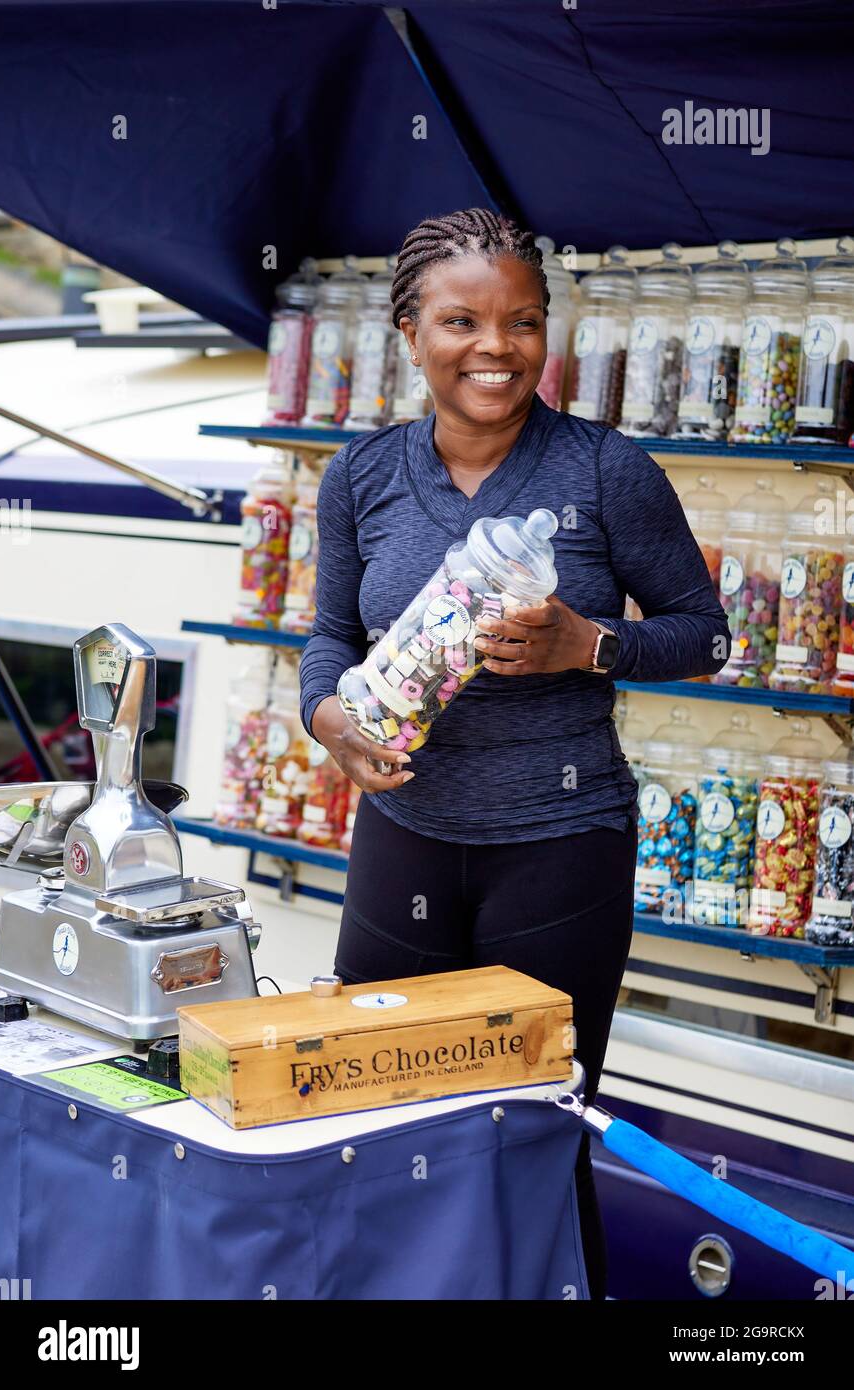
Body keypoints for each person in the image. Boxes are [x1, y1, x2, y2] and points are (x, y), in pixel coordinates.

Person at [299, 207, 730, 1299]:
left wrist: (588, 643)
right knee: (373, 1111)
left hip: (557, 845)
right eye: (461, 321)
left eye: (522, 322)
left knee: (531, 1124)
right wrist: (330, 724)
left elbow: (705, 633)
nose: (495, 348)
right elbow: (328, 642)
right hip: (399, 838)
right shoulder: (359, 477)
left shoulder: (602, 468)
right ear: (408, 331)